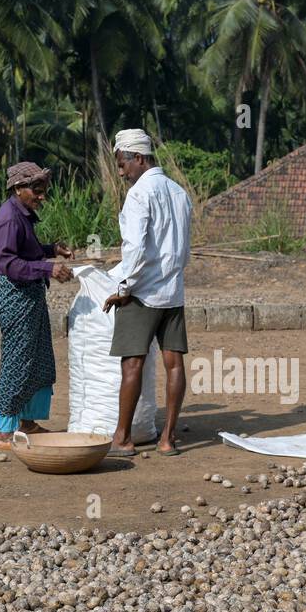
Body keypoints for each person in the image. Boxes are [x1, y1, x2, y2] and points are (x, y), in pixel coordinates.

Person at [102, 128, 192, 457]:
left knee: (132, 365)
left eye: (123, 163)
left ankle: (122, 439)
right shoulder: (179, 193)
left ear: (139, 158)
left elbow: (137, 250)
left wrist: (123, 288)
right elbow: (184, 250)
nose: (121, 171)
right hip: (173, 292)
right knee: (174, 364)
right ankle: (167, 439)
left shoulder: (140, 194)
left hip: (142, 292)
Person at [0, 161, 74, 451]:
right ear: (18, 188)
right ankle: (4, 431)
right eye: (37, 191)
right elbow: (9, 263)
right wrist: (48, 269)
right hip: (16, 298)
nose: (42, 197)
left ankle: (27, 423)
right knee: (17, 361)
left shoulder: (21, 214)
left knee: (37, 359)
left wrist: (52, 250)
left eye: (43, 191)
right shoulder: (9, 219)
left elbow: (26, 252)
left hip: (29, 297)